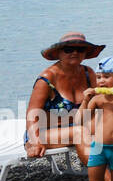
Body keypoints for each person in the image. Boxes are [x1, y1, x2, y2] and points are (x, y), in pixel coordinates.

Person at [25, 31, 105, 163]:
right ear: (58, 53)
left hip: (77, 123)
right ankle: (102, 179)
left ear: (85, 53)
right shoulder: (47, 79)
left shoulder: (87, 73)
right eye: (68, 49)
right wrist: (34, 141)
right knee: (79, 132)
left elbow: (100, 103)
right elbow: (32, 114)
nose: (75, 53)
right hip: (43, 131)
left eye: (80, 49)